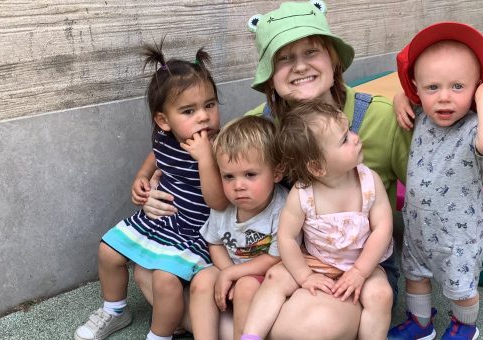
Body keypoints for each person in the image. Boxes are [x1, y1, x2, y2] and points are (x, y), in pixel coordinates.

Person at [135, 2, 410, 338]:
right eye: (284, 58)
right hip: (278, 260)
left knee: (306, 329)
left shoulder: (381, 119)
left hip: (355, 268)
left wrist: (426, 105)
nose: (300, 66)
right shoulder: (256, 125)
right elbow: (207, 166)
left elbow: (445, 181)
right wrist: (153, 192)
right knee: (150, 277)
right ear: (269, 72)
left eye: (311, 51)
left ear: (334, 58)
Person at [74, 40, 227, 340]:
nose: (203, 116)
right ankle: (115, 309)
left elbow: (218, 202)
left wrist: (206, 159)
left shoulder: (221, 146)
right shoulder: (167, 140)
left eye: (209, 105)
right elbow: (155, 155)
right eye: (188, 110)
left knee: (166, 280)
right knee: (108, 250)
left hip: (195, 232)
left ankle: (160, 335)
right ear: (163, 120)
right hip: (158, 219)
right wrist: (140, 178)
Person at [386, 22, 483, 340]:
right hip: (418, 225)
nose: (444, 98)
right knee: (416, 275)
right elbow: (408, 94)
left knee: (461, 287)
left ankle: (465, 326)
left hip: (460, 233)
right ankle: (420, 322)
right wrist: (403, 97)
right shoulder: (423, 114)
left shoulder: (476, 124)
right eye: (432, 88)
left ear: (477, 86)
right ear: (418, 87)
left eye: (458, 87)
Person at [241, 101, 394, 340]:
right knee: (275, 277)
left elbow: (383, 228)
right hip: (315, 261)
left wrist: (360, 272)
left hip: (362, 263)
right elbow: (287, 237)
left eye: (350, 130)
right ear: (318, 167)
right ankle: (250, 335)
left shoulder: (369, 181)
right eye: (344, 139)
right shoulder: (303, 194)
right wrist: (304, 275)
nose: (355, 138)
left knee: (381, 295)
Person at [189, 115, 288, 340]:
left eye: (250, 175)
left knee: (245, 287)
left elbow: (276, 258)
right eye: (228, 176)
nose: (238, 186)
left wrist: (234, 274)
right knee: (202, 281)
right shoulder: (224, 206)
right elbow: (214, 243)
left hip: (265, 279)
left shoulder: (282, 208)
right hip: (230, 271)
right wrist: (226, 273)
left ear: (277, 172)